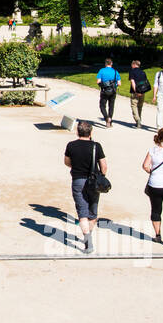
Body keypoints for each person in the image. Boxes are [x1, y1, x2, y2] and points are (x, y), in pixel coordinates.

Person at [63, 119, 108, 253]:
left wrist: (76, 166)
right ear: (91, 132)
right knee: (93, 212)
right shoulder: (96, 146)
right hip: (93, 181)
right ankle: (89, 233)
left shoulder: (71, 145)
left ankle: (88, 240)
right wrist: (101, 175)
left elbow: (66, 162)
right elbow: (104, 167)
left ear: (77, 131)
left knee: (82, 213)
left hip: (78, 180)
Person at [96, 57, 120, 127]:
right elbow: (119, 83)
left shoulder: (101, 71)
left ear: (105, 64)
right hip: (113, 91)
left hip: (104, 91)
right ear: (111, 63)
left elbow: (98, 81)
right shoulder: (115, 71)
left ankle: (106, 118)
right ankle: (110, 120)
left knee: (102, 105)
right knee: (111, 106)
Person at [127, 58, 151, 128]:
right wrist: (141, 92)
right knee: (140, 106)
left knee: (134, 105)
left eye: (132, 64)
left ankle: (137, 120)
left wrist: (136, 91)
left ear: (134, 64)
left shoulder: (132, 71)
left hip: (135, 92)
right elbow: (145, 83)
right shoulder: (143, 72)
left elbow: (132, 82)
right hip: (142, 92)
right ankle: (139, 120)